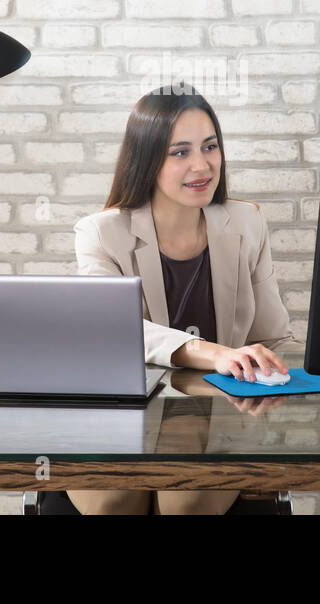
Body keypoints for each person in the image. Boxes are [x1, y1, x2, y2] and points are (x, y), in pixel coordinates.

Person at [70, 83, 301, 514]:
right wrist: (215, 354)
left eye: (210, 147)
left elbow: (272, 339)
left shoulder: (246, 222)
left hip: (219, 411)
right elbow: (112, 330)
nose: (202, 165)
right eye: (180, 152)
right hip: (121, 411)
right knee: (115, 501)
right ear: (147, 160)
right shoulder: (100, 232)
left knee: (186, 503)